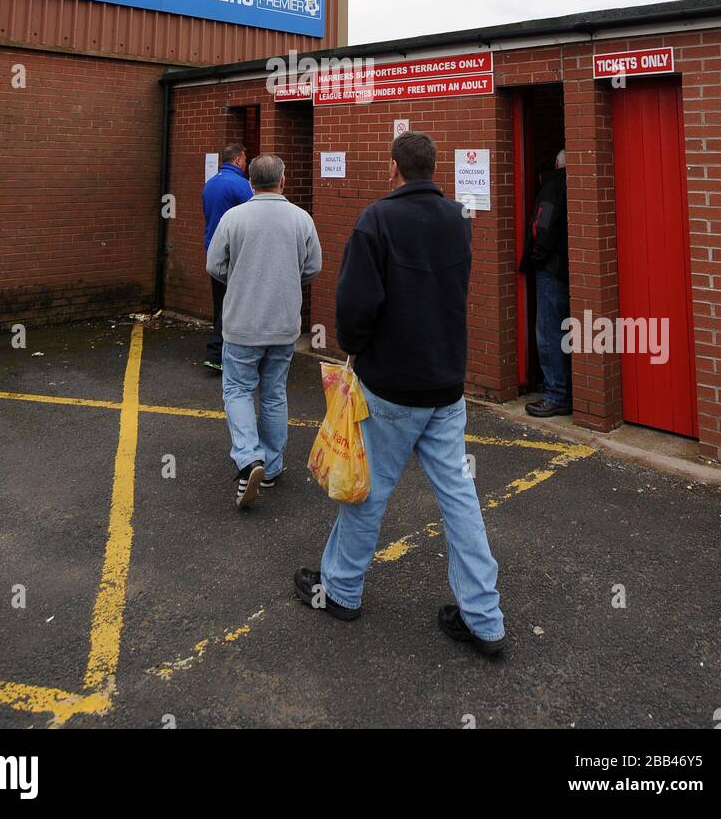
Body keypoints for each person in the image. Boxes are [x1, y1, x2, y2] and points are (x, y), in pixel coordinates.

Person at [294, 131, 505, 657]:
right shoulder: (460, 220)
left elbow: (355, 305)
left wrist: (356, 349)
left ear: (393, 168)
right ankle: (485, 618)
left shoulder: (377, 220)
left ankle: (340, 590)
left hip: (389, 386)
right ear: (434, 169)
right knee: (459, 497)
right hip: (446, 385)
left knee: (368, 488)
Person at [206, 154, 322, 509]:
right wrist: (287, 282)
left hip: (242, 325)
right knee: (273, 394)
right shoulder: (302, 219)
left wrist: (239, 282)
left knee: (238, 390)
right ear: (283, 181)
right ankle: (270, 467)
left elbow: (214, 265)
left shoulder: (234, 218)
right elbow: (313, 267)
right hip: (284, 325)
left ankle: (248, 458)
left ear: (251, 183)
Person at [520, 148, 572, 417]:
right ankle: (562, 389)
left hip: (551, 270)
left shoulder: (552, 187)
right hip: (565, 268)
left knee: (549, 331)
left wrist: (536, 257)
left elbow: (543, 226)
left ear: (556, 163)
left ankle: (556, 394)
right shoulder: (571, 185)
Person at [201, 142, 253, 374]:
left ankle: (221, 351)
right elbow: (254, 215)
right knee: (232, 305)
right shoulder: (241, 185)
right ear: (239, 160)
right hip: (235, 253)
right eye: (245, 161)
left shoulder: (210, 184)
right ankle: (217, 355)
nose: (246, 165)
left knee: (220, 302)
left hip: (214, 250)